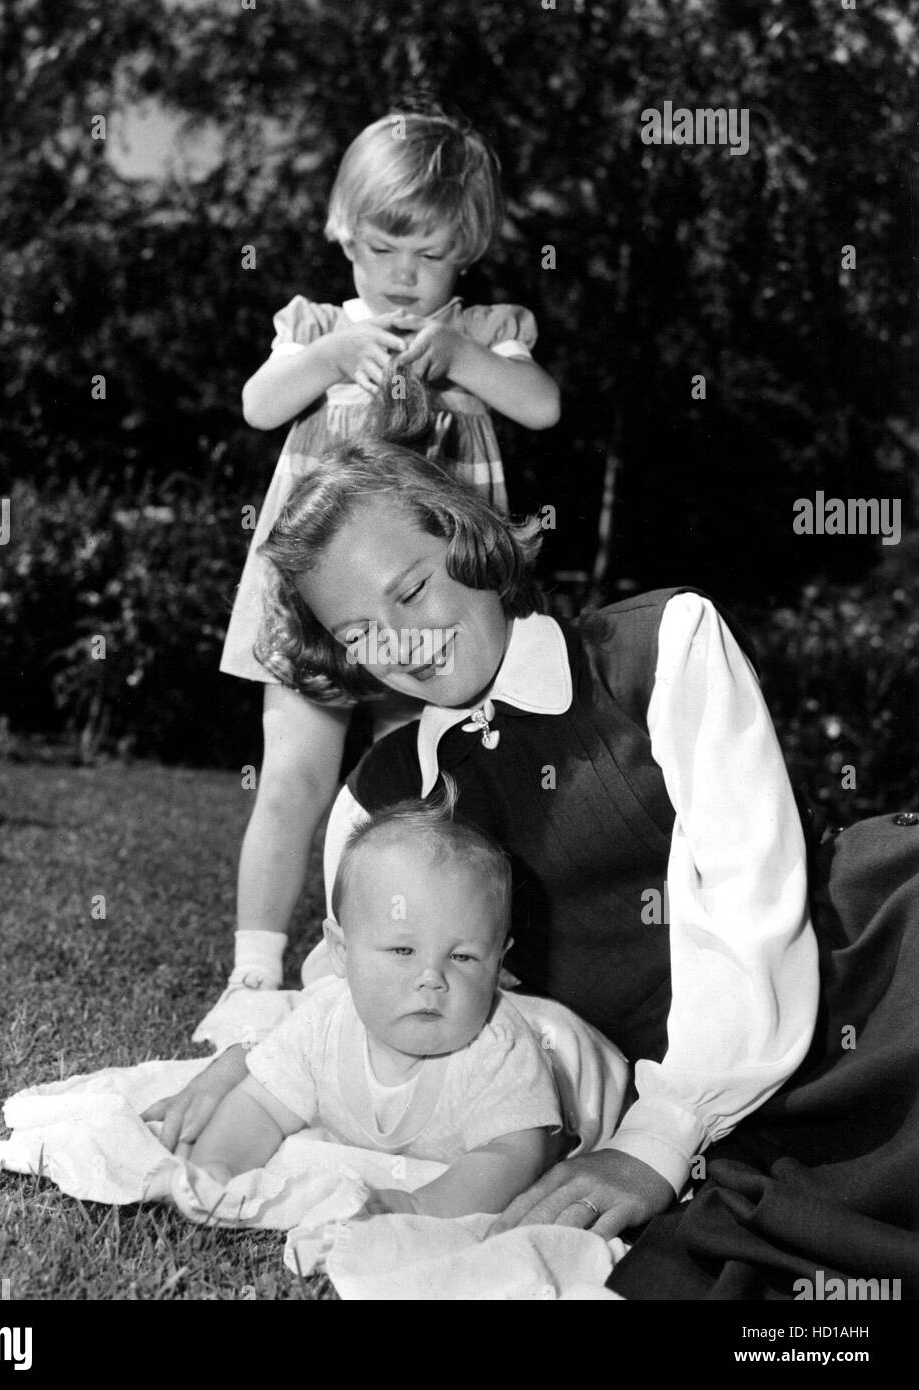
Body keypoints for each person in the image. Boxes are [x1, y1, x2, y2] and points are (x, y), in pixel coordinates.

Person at [206, 424, 916, 1300]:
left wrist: (661, 1136)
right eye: (359, 632)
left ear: (467, 538)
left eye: (413, 589)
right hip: (673, 1113)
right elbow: (360, 989)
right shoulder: (378, 798)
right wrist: (260, 1051)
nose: (401, 643)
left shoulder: (662, 649)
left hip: (853, 978)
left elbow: (749, 901)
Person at [218, 97, 560, 999]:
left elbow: (542, 407)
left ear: (472, 244)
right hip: (315, 594)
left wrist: (459, 359)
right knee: (292, 771)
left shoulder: (486, 334)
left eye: (432, 252)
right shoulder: (319, 329)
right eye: (383, 247)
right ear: (343, 232)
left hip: (437, 600)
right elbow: (257, 405)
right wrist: (333, 360)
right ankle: (253, 978)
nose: (405, 274)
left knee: (418, 782)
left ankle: (371, 964)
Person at [187, 776, 580, 1218]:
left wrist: (417, 1206)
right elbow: (260, 1104)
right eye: (402, 950)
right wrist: (217, 1167)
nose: (432, 978)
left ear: (498, 963)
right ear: (340, 950)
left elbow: (511, 1157)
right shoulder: (321, 1025)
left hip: (578, 1059)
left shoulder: (499, 1048)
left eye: (464, 957)